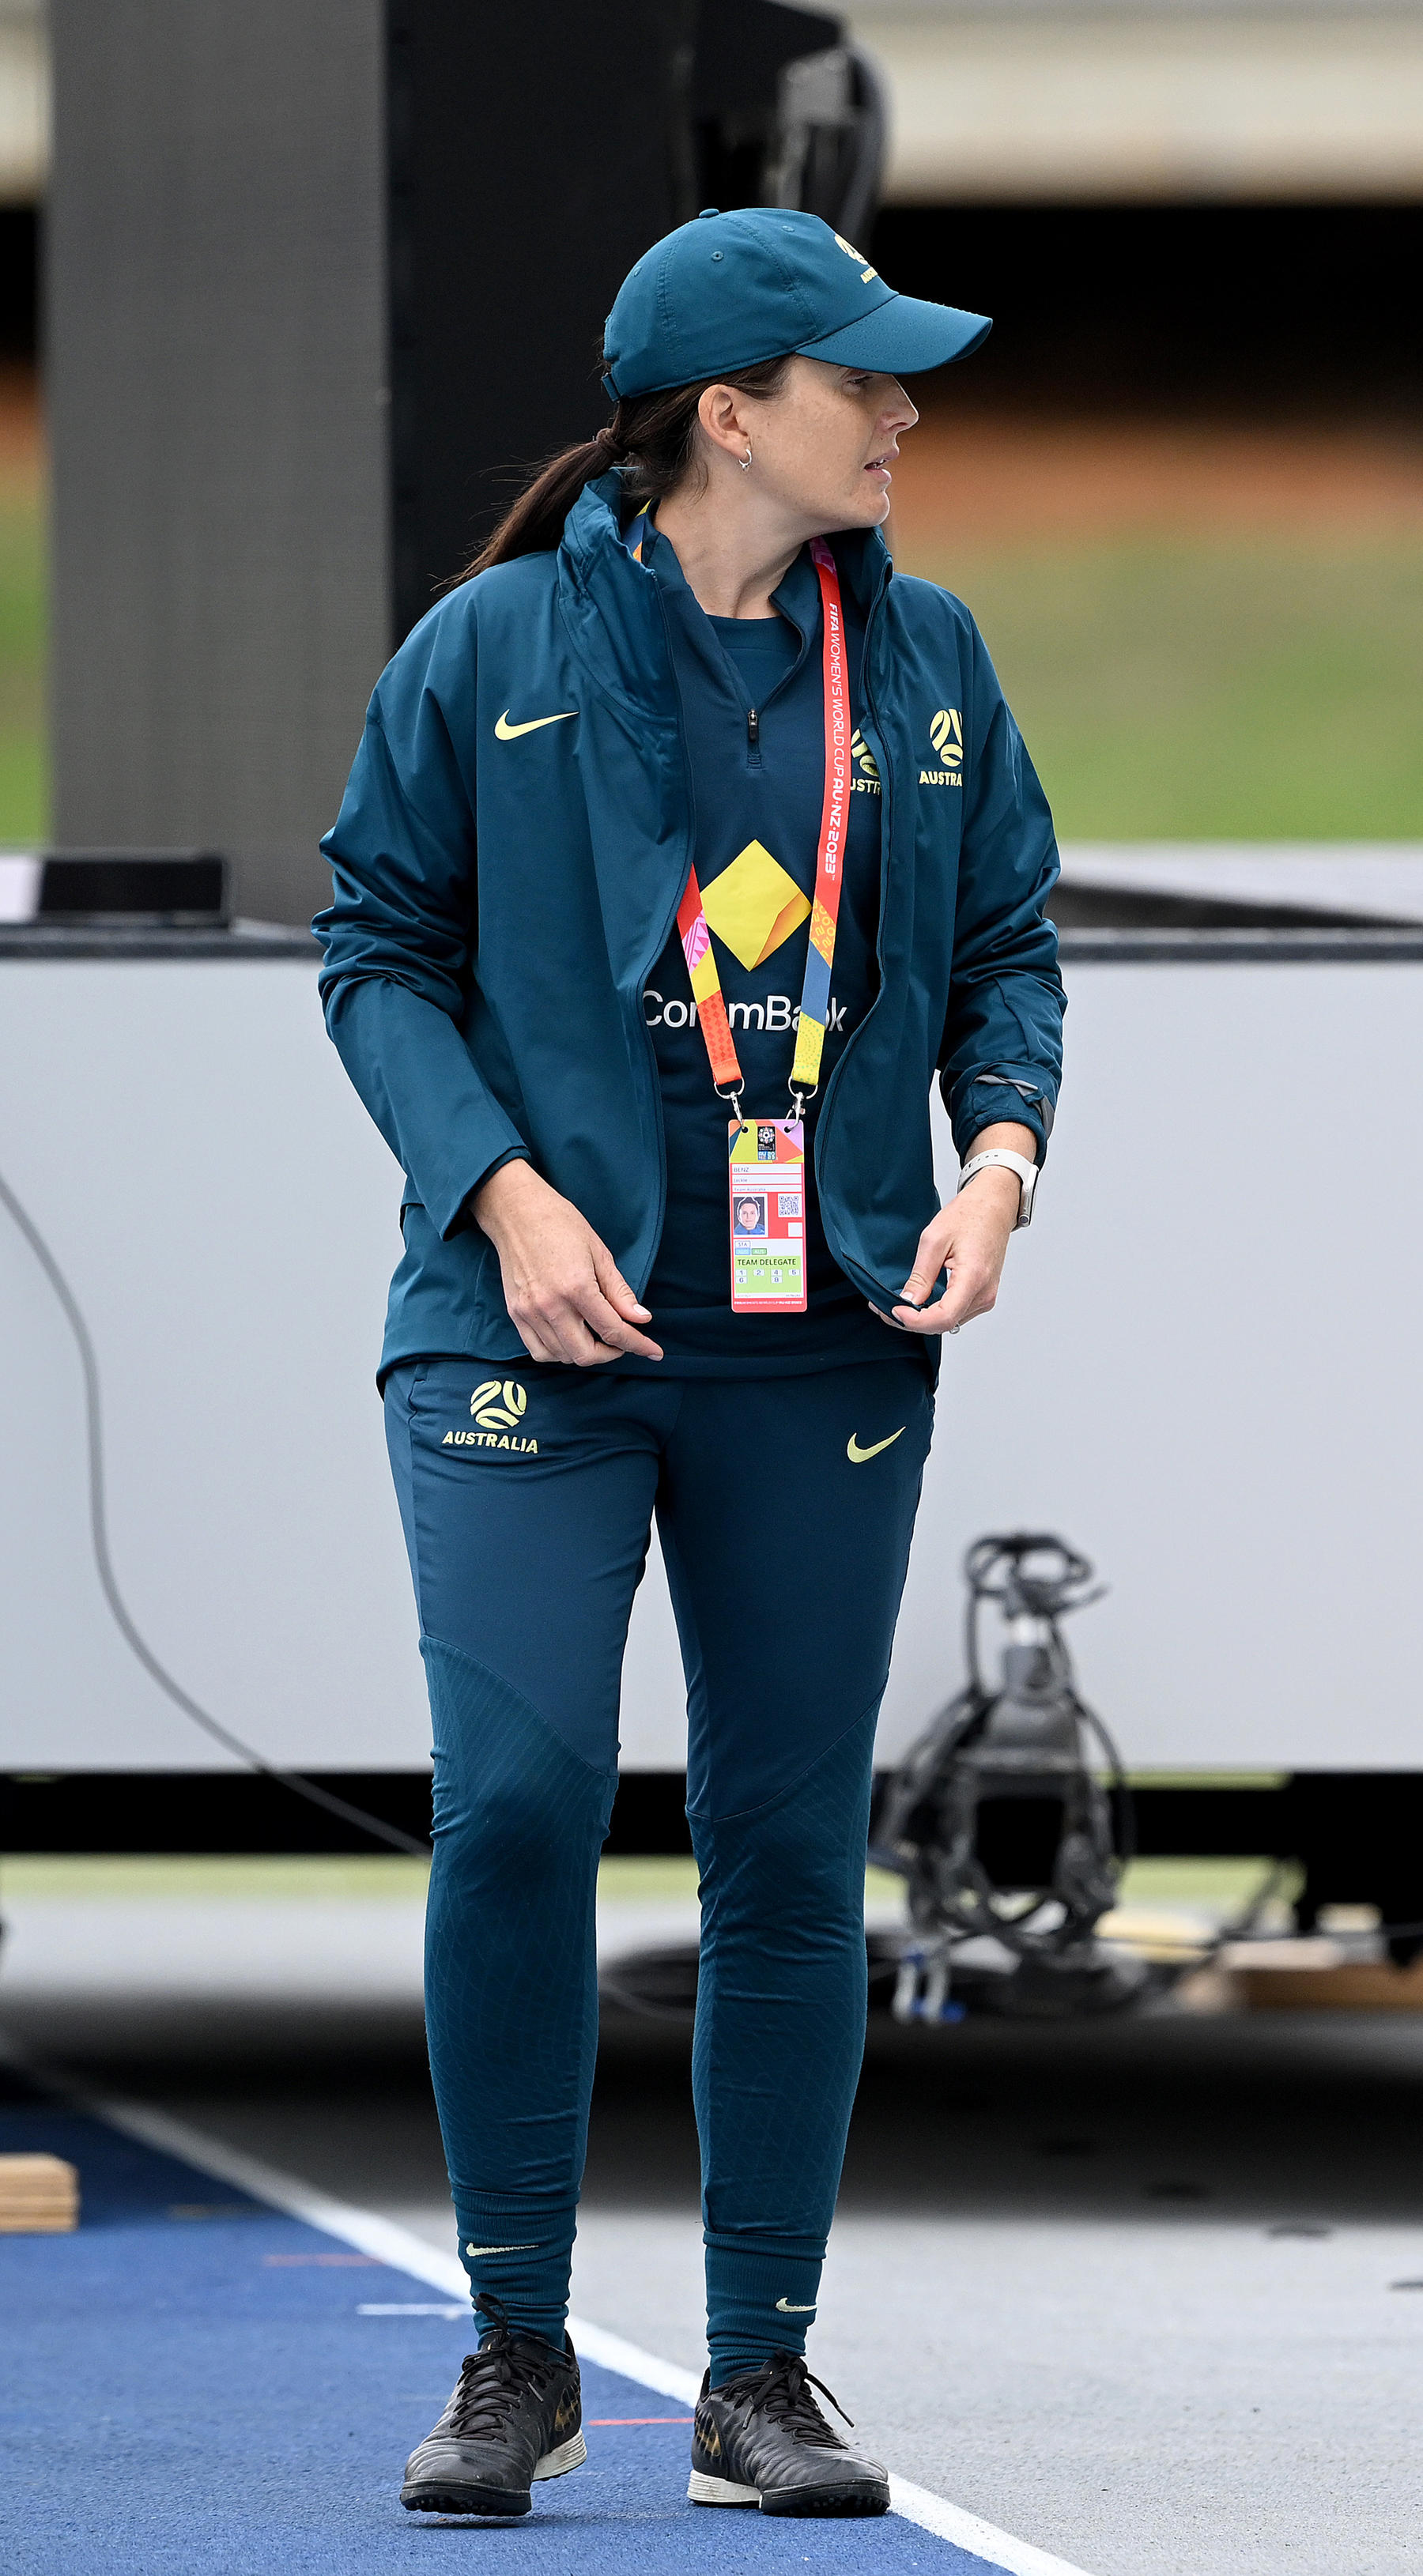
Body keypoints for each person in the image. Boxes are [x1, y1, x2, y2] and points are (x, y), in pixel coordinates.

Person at [315, 207, 1064, 2522]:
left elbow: (1013, 944)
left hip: (819, 1331)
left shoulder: (924, 660)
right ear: (731, 413)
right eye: (867, 379)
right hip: (532, 1333)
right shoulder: (494, 647)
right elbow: (374, 948)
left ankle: (762, 2369)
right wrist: (505, 1198)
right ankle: (516, 2345)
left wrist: (1000, 1161)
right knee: (521, 1802)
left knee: (780, 1842)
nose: (907, 410)